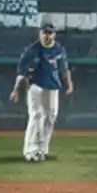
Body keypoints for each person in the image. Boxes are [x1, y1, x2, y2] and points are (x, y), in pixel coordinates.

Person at [11, 23, 73, 162]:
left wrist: (69, 83)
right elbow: (21, 70)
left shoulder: (59, 49)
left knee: (50, 117)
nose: (47, 35)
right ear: (40, 34)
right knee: (37, 116)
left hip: (53, 86)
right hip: (36, 86)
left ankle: (42, 149)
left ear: (54, 35)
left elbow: (64, 68)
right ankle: (30, 150)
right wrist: (16, 89)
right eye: (44, 33)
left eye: (49, 33)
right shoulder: (32, 49)